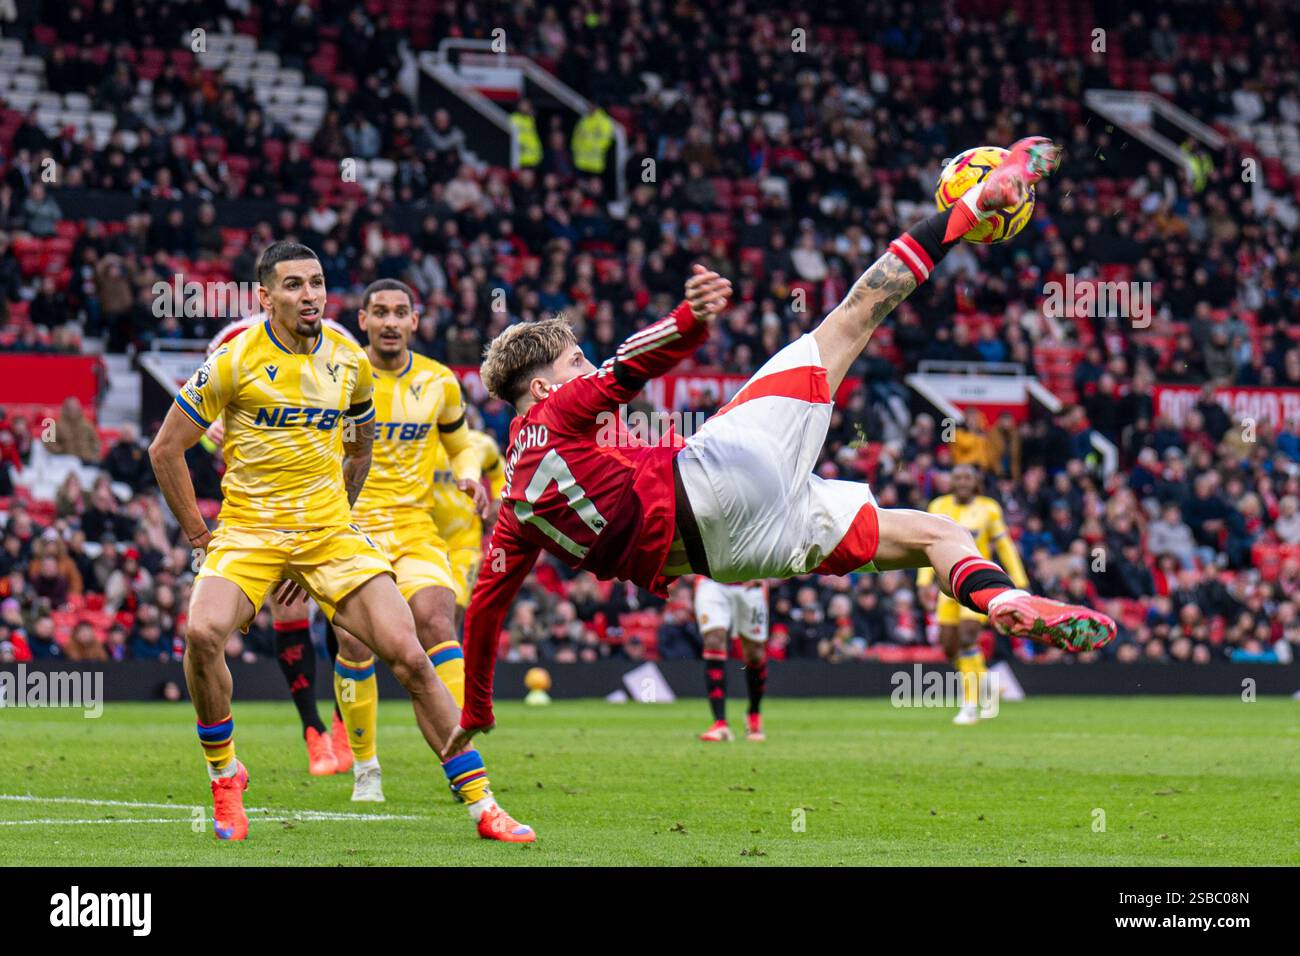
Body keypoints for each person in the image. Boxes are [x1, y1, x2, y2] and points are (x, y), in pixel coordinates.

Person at [446, 138, 1115, 756]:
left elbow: (485, 610)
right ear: (539, 386)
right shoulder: (560, 409)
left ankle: (997, 600)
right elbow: (628, 367)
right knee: (857, 313)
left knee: (933, 535)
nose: (582, 369)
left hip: (732, 555)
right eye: (572, 361)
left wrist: (475, 709)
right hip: (718, 475)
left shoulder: (514, 508)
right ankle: (976, 202)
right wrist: (688, 321)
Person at [149, 241, 533, 843]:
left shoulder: (348, 361)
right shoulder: (232, 360)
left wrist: (336, 522)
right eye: (295, 285)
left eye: (317, 283)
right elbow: (164, 448)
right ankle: (225, 775)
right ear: (265, 296)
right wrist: (200, 537)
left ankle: (483, 804)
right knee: (201, 634)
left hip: (330, 534)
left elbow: (359, 448)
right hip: (249, 533)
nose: (310, 295)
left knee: (408, 652)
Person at [318, 278, 490, 803]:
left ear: (415, 322)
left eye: (401, 313)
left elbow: (462, 445)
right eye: (380, 312)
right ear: (364, 320)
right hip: (351, 527)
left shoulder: (439, 382)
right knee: (353, 641)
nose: (391, 321)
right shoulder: (338, 377)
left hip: (415, 527)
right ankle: (366, 768)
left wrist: (468, 474)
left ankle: (459, 752)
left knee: (438, 619)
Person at [917, 464, 1029, 724]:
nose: (963, 482)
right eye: (958, 477)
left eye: (968, 477)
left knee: (968, 639)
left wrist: (1020, 581)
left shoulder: (989, 508)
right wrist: (923, 582)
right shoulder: (938, 507)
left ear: (976, 481)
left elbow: (1004, 545)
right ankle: (986, 682)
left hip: (977, 584)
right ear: (951, 482)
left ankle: (969, 705)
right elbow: (926, 547)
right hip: (947, 585)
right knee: (949, 646)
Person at [694, 578, 770, 742]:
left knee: (755, 654)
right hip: (712, 580)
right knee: (714, 640)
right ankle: (720, 723)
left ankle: (754, 713)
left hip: (750, 582)